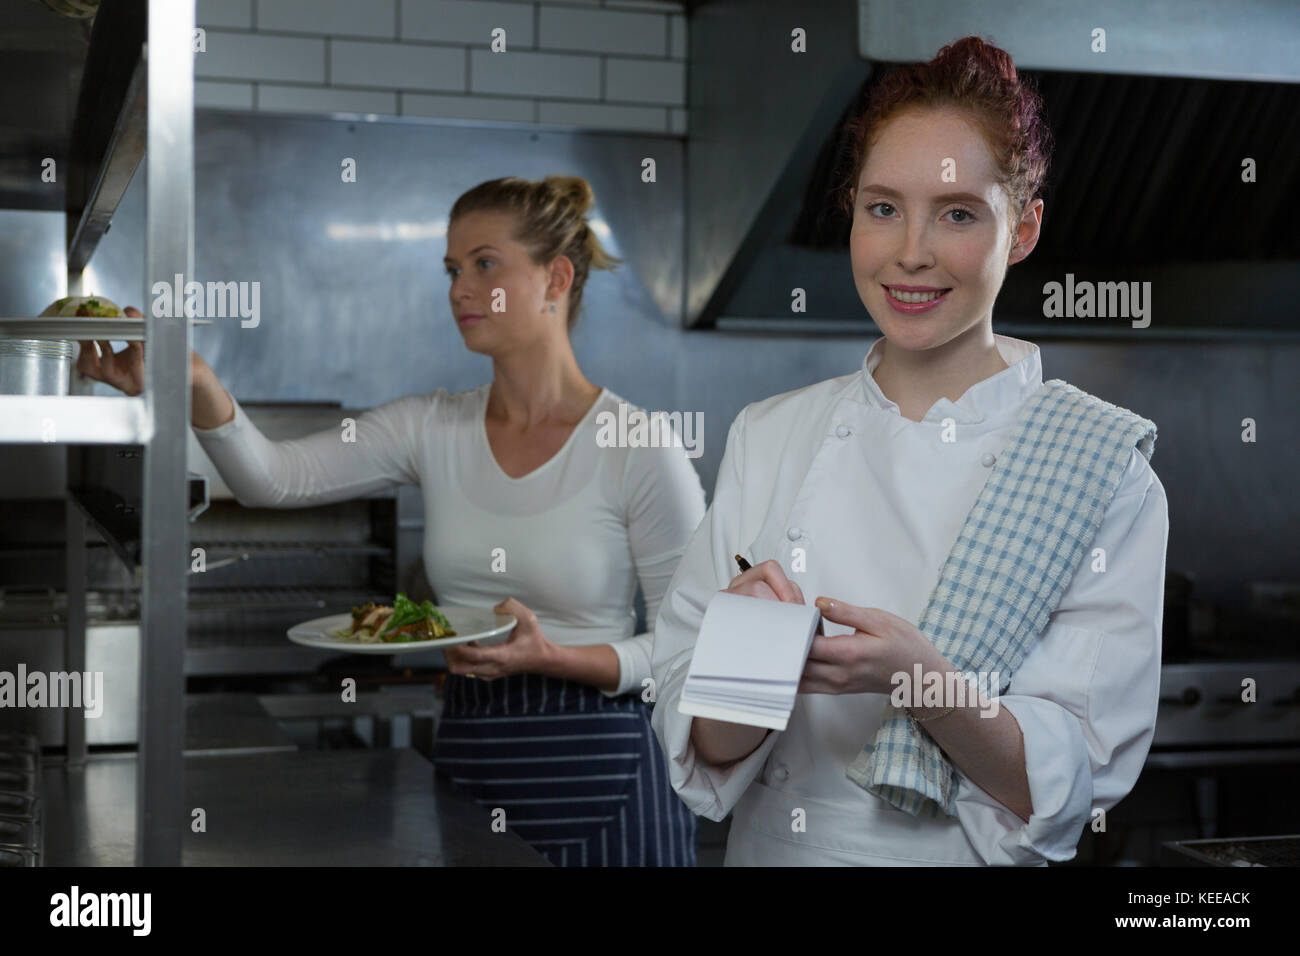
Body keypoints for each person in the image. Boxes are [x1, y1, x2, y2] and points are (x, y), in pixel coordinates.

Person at [76, 175, 705, 867]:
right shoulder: (431, 426)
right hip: (474, 759)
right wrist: (196, 384)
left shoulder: (639, 444)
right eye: (452, 269)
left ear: (555, 277)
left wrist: (554, 657)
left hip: (604, 775)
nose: (458, 290)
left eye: (484, 264)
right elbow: (274, 479)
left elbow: (689, 649)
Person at [650, 36, 1170, 866]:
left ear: (1024, 228)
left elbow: (1067, 782)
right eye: (882, 207)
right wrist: (751, 656)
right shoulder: (770, 434)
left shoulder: (1101, 467)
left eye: (958, 212)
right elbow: (703, 751)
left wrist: (919, 680)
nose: (911, 252)